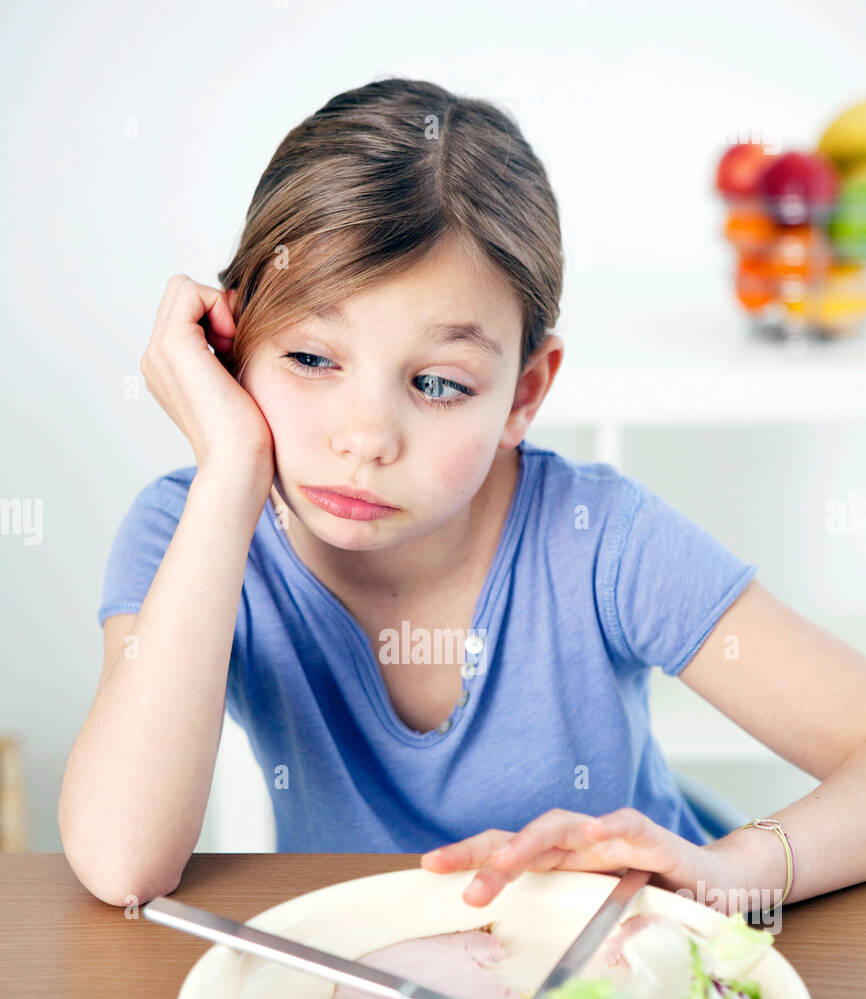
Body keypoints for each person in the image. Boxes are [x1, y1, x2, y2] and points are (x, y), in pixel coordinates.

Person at [59, 76, 866, 917]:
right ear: (231, 346)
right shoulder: (182, 532)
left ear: (523, 394)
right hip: (375, 993)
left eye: (439, 383)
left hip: (620, 978)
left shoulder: (601, 541)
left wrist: (742, 867)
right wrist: (230, 471)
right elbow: (123, 861)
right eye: (309, 360)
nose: (367, 437)